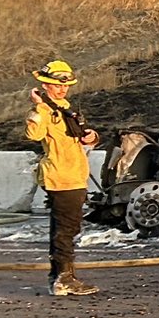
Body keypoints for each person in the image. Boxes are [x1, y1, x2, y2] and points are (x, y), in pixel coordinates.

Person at [24, 59, 100, 297]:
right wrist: (39, 107)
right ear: (46, 85)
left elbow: (76, 138)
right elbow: (33, 134)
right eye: (57, 85)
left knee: (64, 228)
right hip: (61, 176)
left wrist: (92, 137)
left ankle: (59, 276)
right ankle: (64, 279)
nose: (62, 89)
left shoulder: (65, 109)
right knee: (67, 229)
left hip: (74, 174)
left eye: (65, 85)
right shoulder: (46, 111)